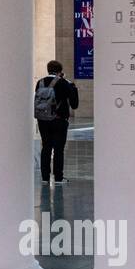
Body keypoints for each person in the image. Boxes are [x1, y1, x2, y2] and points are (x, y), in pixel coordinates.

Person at [34, 60, 78, 189]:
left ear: (48, 69)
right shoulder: (64, 83)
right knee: (58, 149)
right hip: (59, 120)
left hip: (43, 120)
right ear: (60, 70)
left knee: (46, 147)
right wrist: (73, 88)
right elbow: (75, 104)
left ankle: (45, 178)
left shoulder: (40, 82)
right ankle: (58, 177)